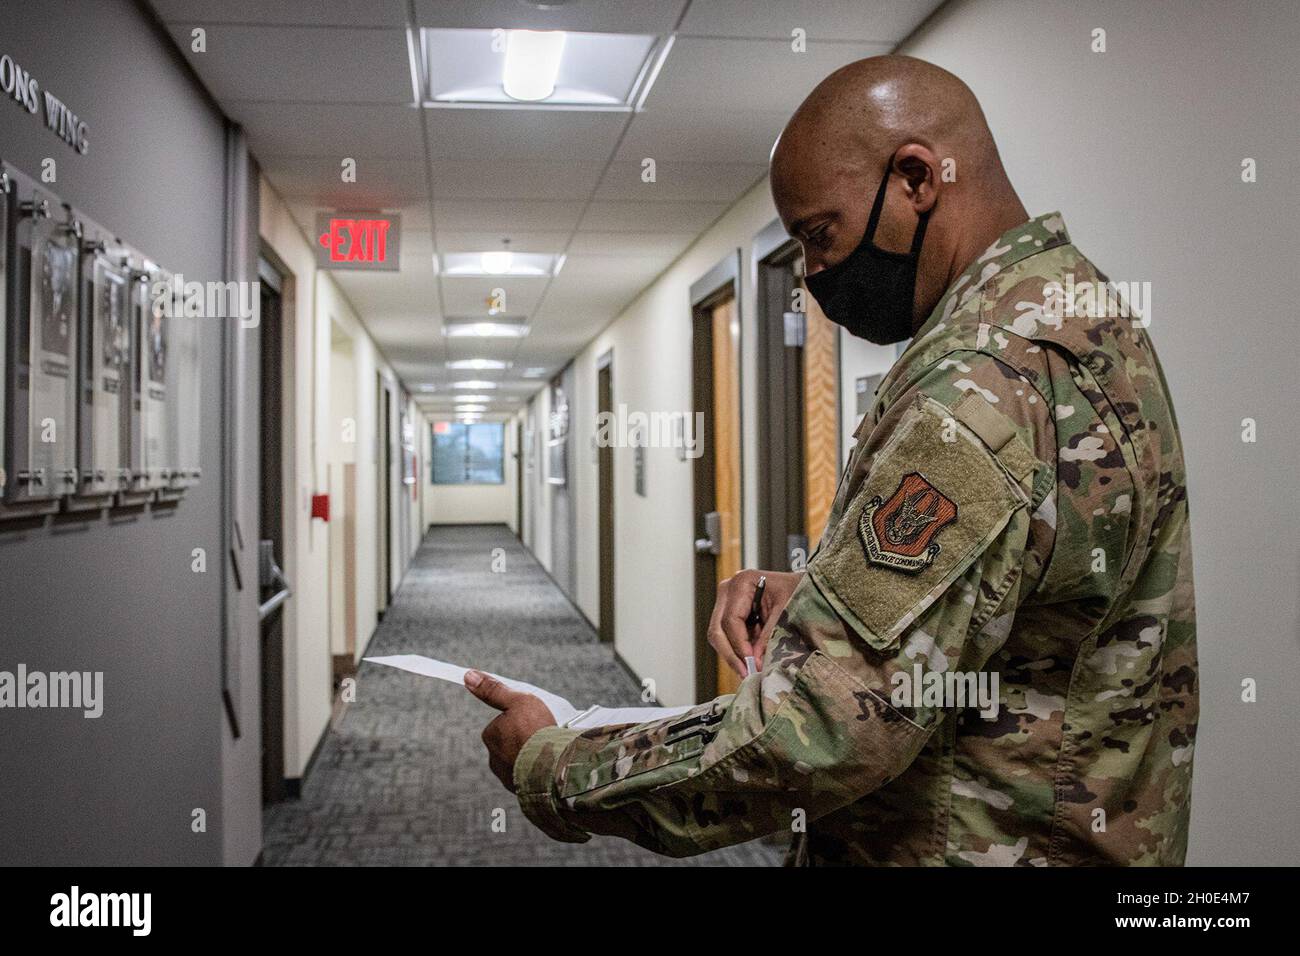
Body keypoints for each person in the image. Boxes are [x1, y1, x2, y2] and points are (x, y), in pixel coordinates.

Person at [465, 55, 1198, 866]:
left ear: (917, 178)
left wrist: (559, 767)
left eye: (820, 235)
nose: (812, 274)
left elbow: (816, 728)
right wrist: (825, 596)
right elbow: (1028, 591)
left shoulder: (979, 381)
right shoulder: (1080, 310)